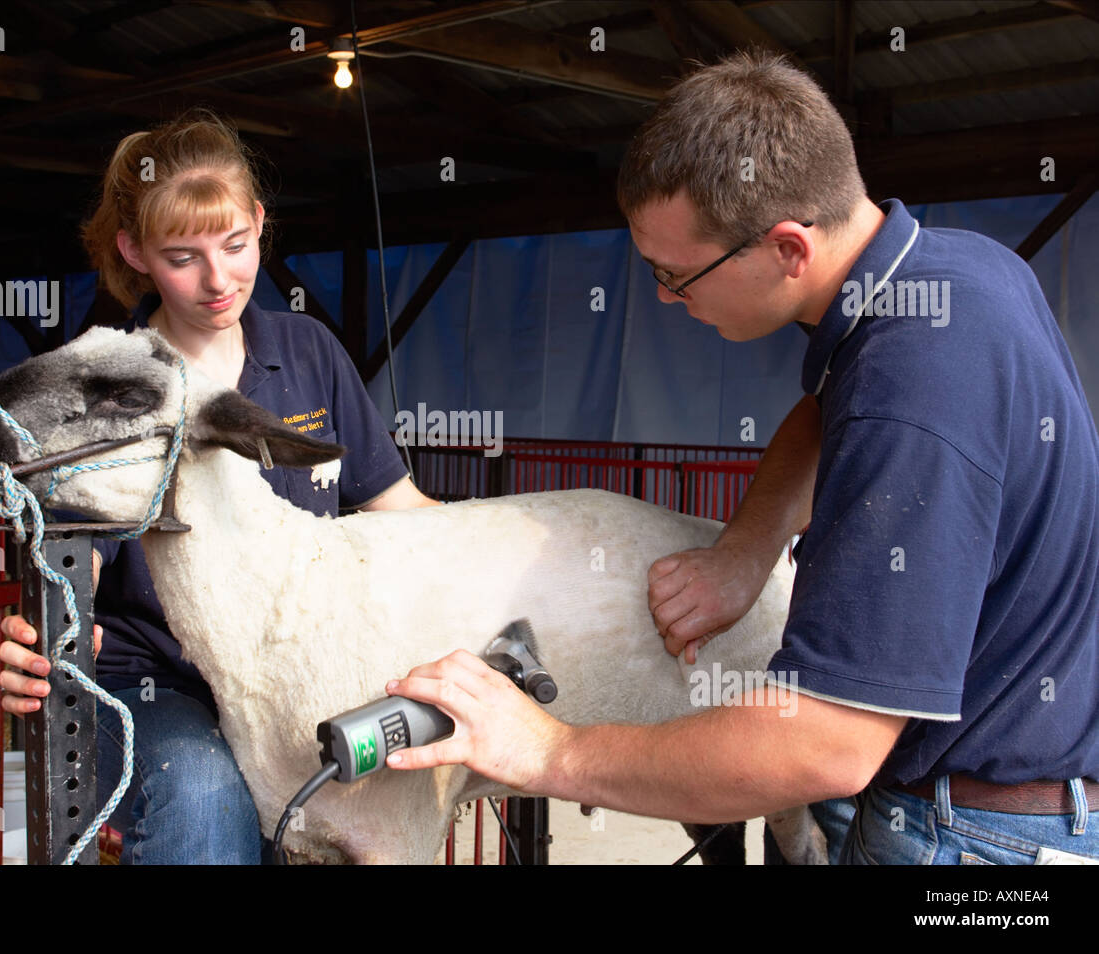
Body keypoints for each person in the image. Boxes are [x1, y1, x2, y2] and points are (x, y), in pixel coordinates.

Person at [386, 51, 1099, 865]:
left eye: (676, 273)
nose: (662, 297)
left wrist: (549, 751)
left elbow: (825, 746)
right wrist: (745, 552)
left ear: (789, 248)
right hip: (994, 809)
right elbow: (825, 413)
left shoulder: (915, 378)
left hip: (972, 844)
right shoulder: (954, 274)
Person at [0, 111, 439, 864]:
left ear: (261, 224)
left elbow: (397, 506)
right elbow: (77, 558)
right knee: (203, 791)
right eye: (182, 256)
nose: (219, 279)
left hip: (301, 667)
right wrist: (50, 634)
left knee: (366, 801)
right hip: (155, 683)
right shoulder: (105, 384)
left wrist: (502, 565)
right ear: (134, 252)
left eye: (236, 246)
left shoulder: (308, 351)